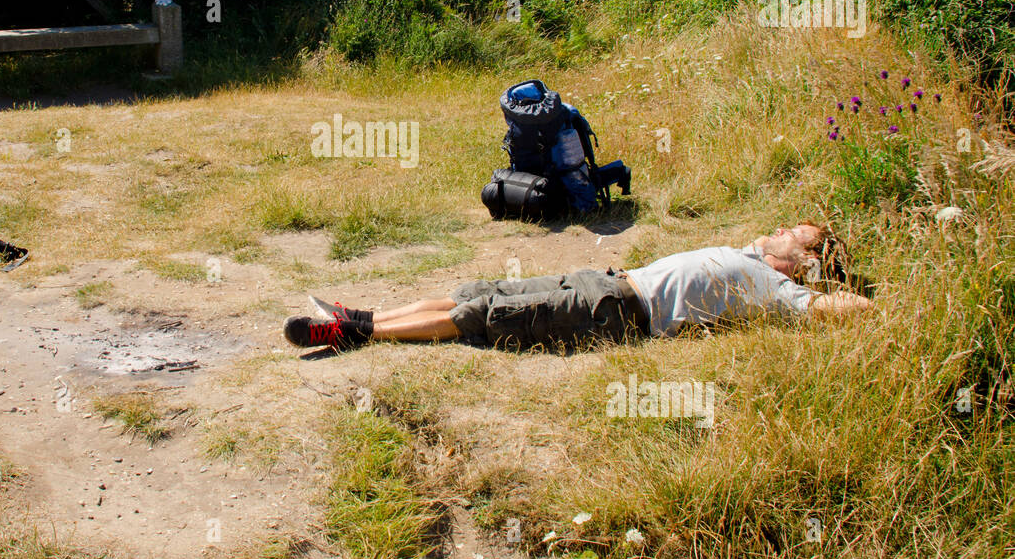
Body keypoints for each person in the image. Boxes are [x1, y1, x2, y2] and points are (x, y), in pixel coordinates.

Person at [282, 223, 872, 354]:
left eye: (799, 235)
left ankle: (355, 334)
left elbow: (854, 308)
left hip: (615, 310)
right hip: (608, 280)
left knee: (485, 317)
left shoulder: (782, 291)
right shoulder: (752, 253)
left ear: (807, 263)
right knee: (478, 290)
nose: (783, 230)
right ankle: (363, 312)